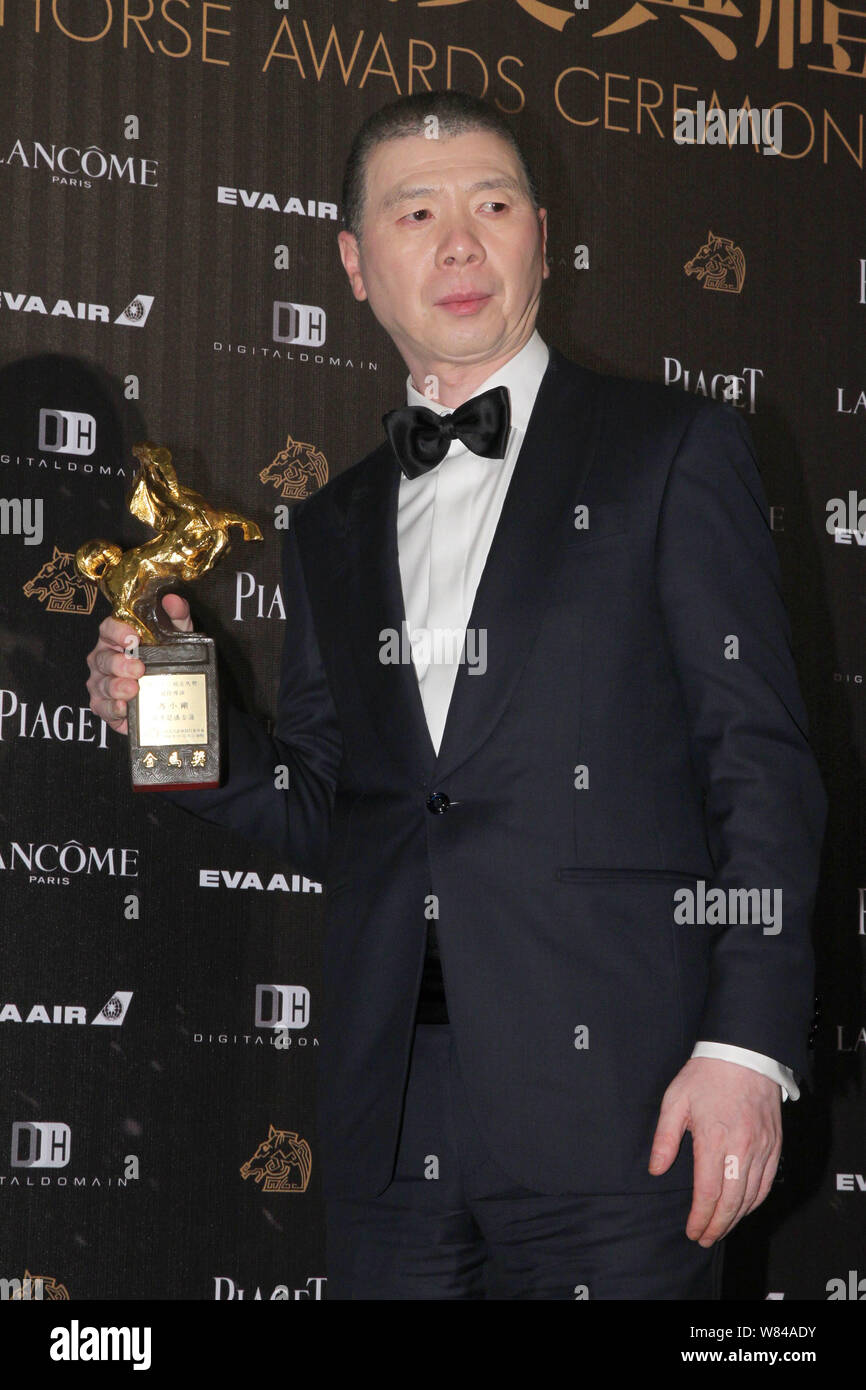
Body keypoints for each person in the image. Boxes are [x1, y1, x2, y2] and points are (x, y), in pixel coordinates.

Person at [86, 90, 826, 1300]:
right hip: (392, 1133)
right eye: (415, 212)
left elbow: (757, 763)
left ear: (541, 231)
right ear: (354, 264)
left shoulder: (671, 449)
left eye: (491, 205)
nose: (460, 243)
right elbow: (338, 806)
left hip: (626, 1114)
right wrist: (182, 726)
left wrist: (744, 1045)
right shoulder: (331, 524)